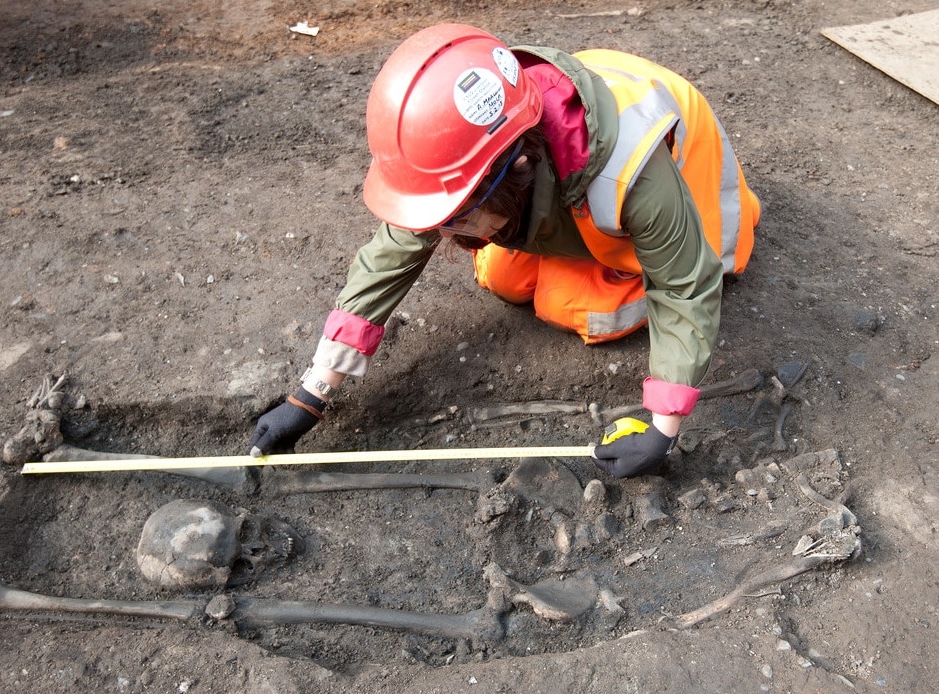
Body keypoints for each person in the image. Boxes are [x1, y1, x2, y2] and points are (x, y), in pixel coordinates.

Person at [247, 23, 760, 477]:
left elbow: (684, 283)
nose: (439, 234)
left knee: (569, 305)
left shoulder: (631, 173)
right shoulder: (470, 146)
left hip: (687, 181)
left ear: (513, 170)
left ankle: (615, 259)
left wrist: (663, 427)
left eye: (452, 218)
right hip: (570, 162)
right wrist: (310, 395)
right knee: (502, 276)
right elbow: (391, 254)